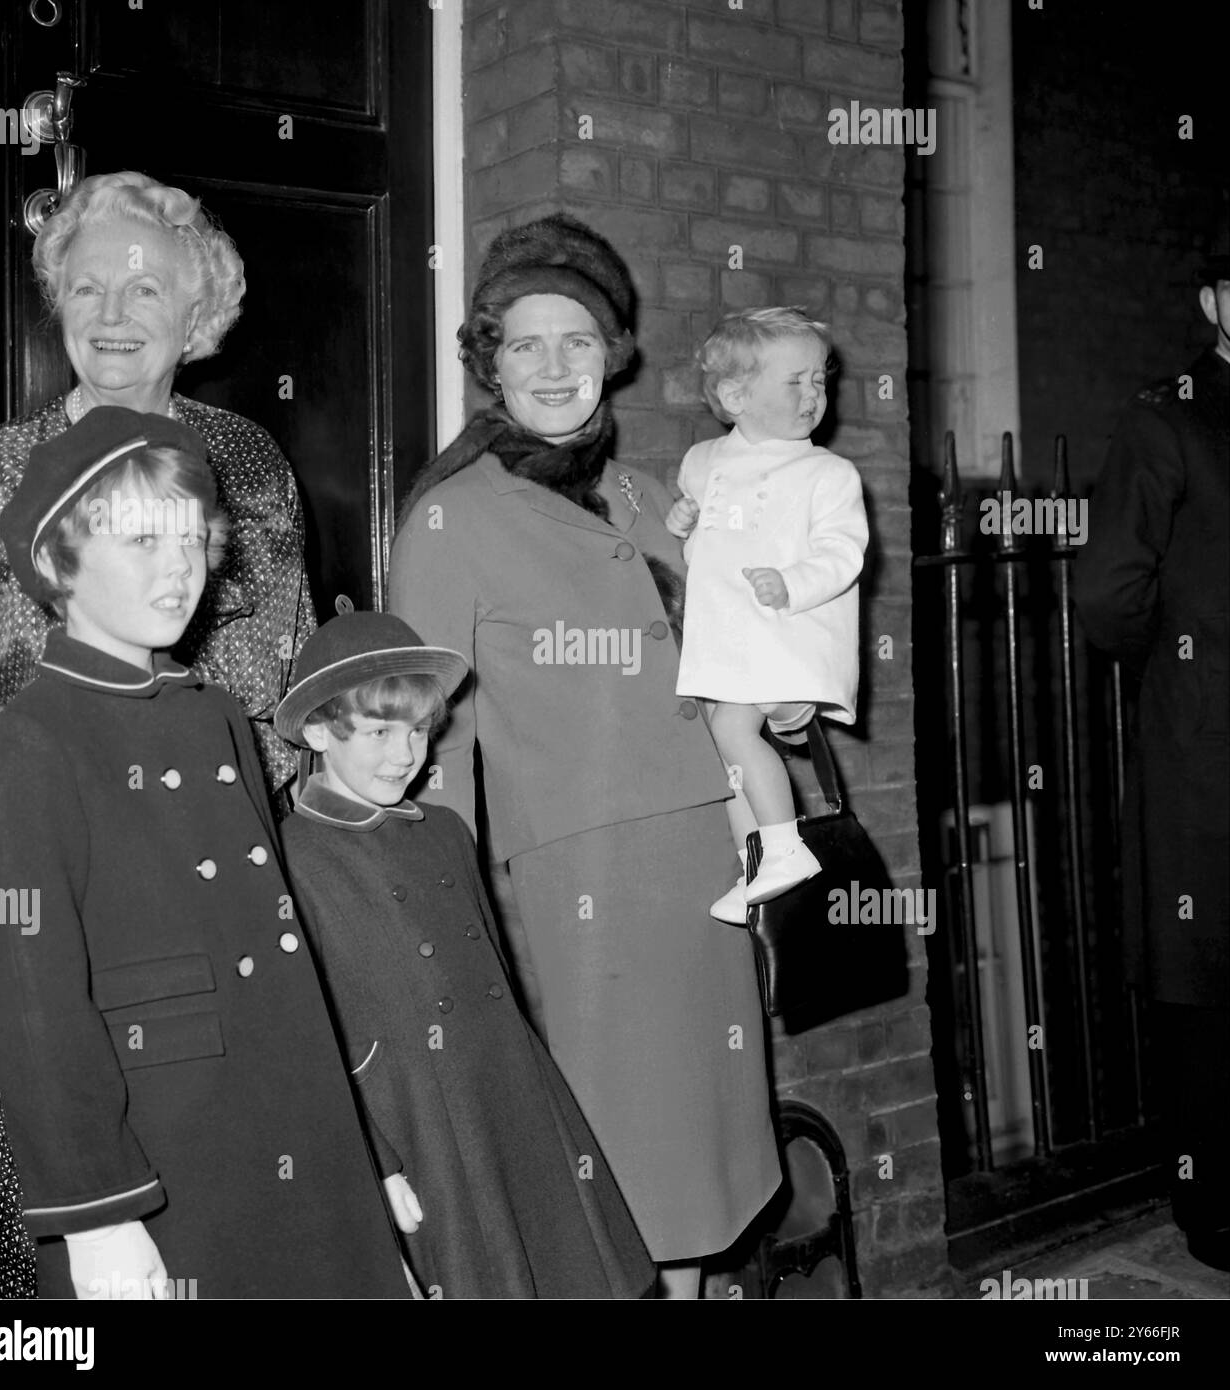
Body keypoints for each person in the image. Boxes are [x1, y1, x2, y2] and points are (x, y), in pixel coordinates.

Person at [389, 213, 781, 1299]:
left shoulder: (657, 501)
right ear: (490, 364)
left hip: (702, 881)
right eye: (525, 343)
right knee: (608, 1197)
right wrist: (455, 943)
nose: (555, 367)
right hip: (572, 900)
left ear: (612, 353)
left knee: (694, 1195)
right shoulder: (448, 520)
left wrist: (777, 701)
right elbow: (427, 747)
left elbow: (725, 667)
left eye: (577, 340)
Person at [0, 409, 408, 1298]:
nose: (179, 568)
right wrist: (98, 1215)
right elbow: (29, 1007)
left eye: (192, 540)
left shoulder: (218, 718)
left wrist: (368, 1152)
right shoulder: (21, 745)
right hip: (165, 1160)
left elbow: (292, 968)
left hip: (298, 1129)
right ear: (56, 562)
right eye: (139, 540)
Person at [274, 611, 654, 1299]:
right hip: (413, 1118)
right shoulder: (290, 856)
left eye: (418, 730)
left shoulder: (445, 831)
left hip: (508, 1093)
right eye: (379, 731)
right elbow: (300, 1041)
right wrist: (371, 1159)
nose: (404, 754)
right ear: (318, 731)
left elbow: (498, 987)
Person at [0, 169, 314, 855]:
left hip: (215, 831)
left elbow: (285, 698)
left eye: (144, 289)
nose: (110, 316)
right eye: (87, 288)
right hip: (33, 831)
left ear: (194, 318)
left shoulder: (247, 461)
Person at [1075, 252, 1230, 1272]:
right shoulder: (1166, 422)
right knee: (1208, 974)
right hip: (1210, 747)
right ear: (1215, 303)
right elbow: (1106, 597)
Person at [667, 308, 868, 924]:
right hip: (731, 637)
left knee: (731, 732)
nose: (813, 395)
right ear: (735, 395)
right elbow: (709, 557)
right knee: (724, 747)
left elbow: (843, 553)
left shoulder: (827, 473)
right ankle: (757, 857)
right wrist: (685, 527)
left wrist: (790, 584)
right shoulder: (702, 462)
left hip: (785, 636)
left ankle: (785, 848)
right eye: (795, 382)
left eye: (819, 380)